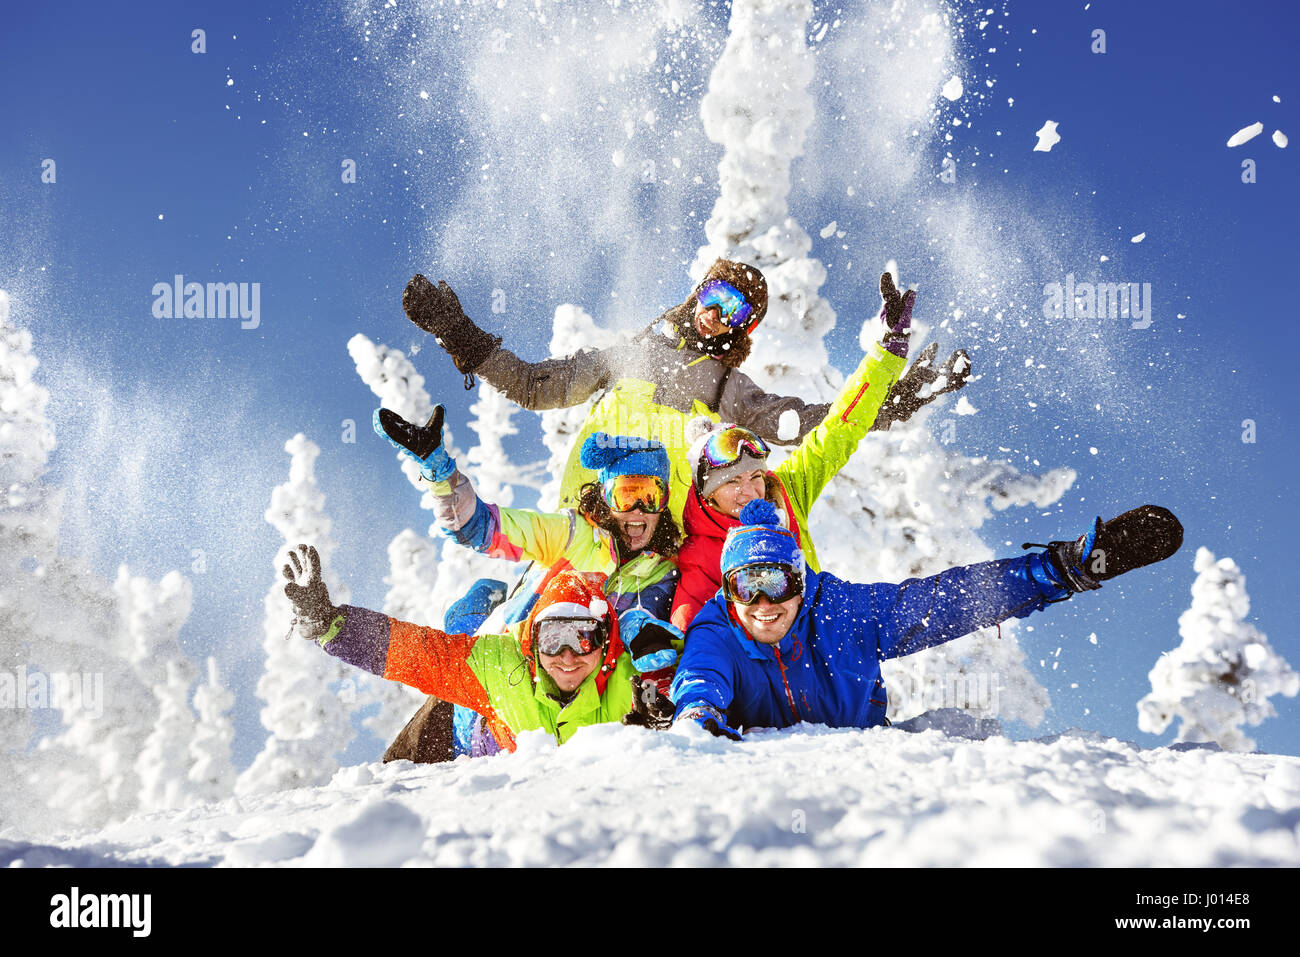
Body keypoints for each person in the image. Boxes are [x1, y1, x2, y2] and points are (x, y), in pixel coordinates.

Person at [399, 261, 970, 524]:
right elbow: (532, 386)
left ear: (743, 330)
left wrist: (893, 398)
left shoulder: (728, 388)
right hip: (584, 517)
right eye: (716, 296)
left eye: (737, 313)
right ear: (700, 292)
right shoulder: (630, 355)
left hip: (658, 535)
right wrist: (461, 334)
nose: (718, 316)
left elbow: (812, 424)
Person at [654, 498, 1184, 738]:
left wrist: (1053, 570)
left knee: (964, 733)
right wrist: (696, 714)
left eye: (780, 582)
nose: (764, 604)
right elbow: (701, 675)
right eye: (748, 586)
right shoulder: (716, 629)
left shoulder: (838, 611)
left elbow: (941, 602)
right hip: (770, 803)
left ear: (802, 581)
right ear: (728, 590)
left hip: (868, 770)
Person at [370, 408, 686, 760]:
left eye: (650, 496)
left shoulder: (666, 570)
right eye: (626, 496)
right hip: (506, 682)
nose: (638, 510)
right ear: (605, 498)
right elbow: (478, 528)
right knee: (415, 751)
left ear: (664, 500)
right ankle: (472, 614)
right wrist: (439, 470)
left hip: (576, 709)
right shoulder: (572, 535)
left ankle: (474, 611)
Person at [282, 557, 650, 751]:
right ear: (532, 642)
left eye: (583, 639)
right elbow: (418, 653)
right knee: (465, 627)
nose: (567, 656)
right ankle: (486, 595)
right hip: (462, 723)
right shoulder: (503, 661)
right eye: (554, 639)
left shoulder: (631, 678)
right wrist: (332, 624)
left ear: (606, 640)